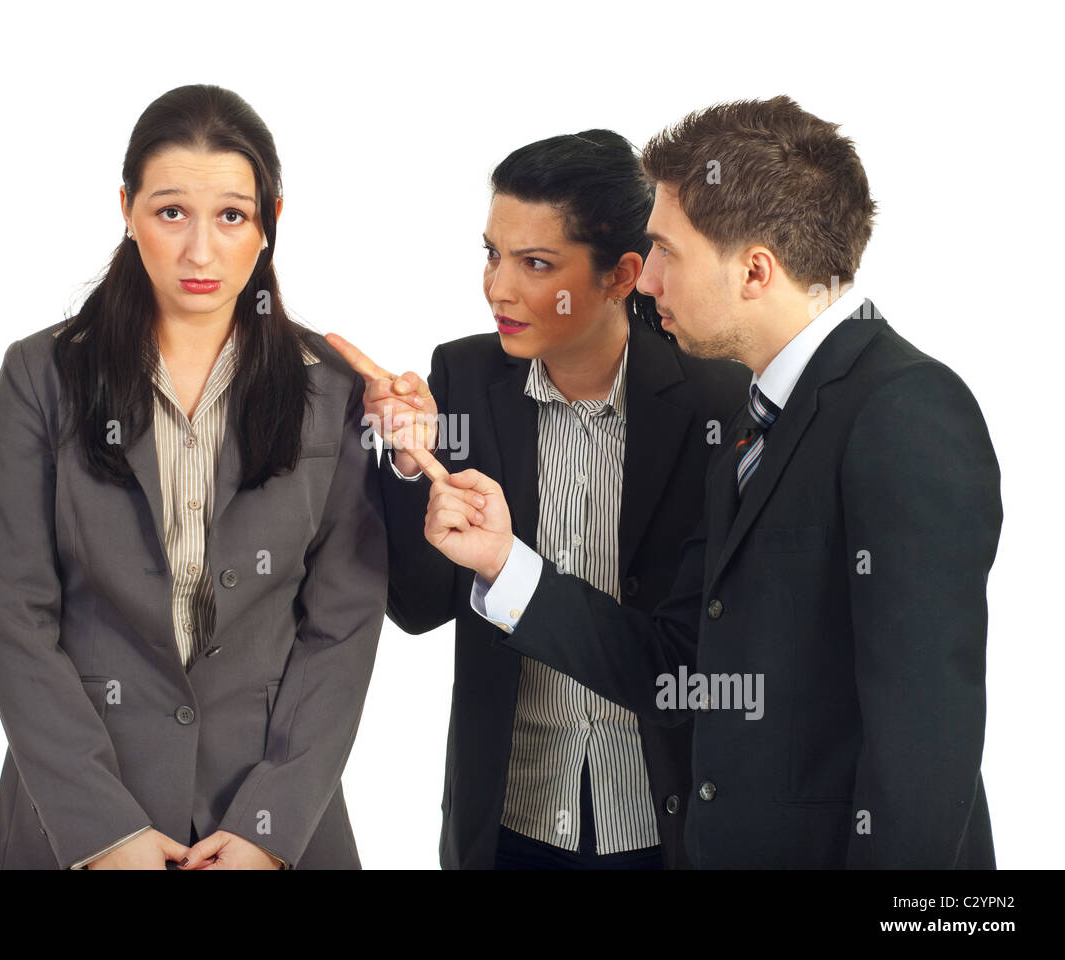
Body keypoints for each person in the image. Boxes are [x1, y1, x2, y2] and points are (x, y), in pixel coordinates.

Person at [407, 96, 1001, 868]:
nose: (644, 280)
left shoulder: (904, 411)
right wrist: (501, 561)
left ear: (754, 270)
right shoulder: (759, 417)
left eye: (664, 252)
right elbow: (677, 668)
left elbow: (924, 757)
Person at [0, 84, 385, 870]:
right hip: (77, 821)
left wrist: (270, 827)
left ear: (269, 222)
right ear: (127, 209)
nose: (201, 251)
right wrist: (103, 832)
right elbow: (15, 616)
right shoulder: (41, 375)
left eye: (231, 215)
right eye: (171, 213)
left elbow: (343, 627)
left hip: (273, 826)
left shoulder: (330, 385)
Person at [328, 130, 748, 869]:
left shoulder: (714, 401)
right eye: (492, 253)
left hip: (664, 819)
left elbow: (708, 649)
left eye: (536, 264)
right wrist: (405, 461)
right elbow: (422, 609)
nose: (499, 288)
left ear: (623, 274)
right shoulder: (462, 377)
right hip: (511, 821)